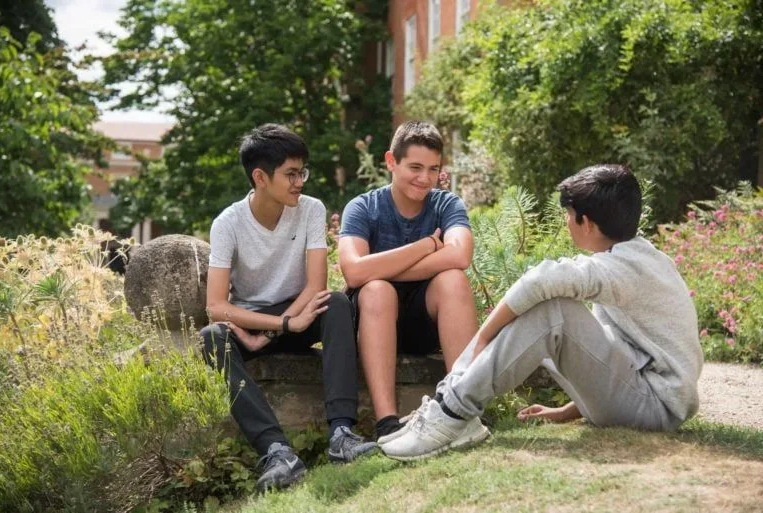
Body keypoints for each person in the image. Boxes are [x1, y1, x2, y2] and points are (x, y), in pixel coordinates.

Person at [380, 164, 703, 461]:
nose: (566, 222)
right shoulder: (634, 258)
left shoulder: (626, 269)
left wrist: (482, 337)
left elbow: (542, 280)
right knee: (551, 307)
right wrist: (568, 411)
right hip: (648, 399)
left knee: (554, 310)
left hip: (655, 408)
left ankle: (452, 412)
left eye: (569, 214)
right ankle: (448, 403)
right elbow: (628, 354)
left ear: (586, 223)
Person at [200, 124, 377, 492]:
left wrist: (282, 327)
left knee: (338, 303)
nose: (300, 182)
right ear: (260, 177)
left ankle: (342, 435)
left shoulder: (311, 209)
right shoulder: (227, 224)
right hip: (255, 321)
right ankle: (277, 451)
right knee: (211, 339)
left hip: (299, 313)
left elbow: (315, 286)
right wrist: (277, 325)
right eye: (291, 174)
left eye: (302, 172)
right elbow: (216, 306)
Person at [338, 121, 479, 441]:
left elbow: (459, 256)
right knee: (376, 289)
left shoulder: (447, 204)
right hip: (372, 322)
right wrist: (426, 245)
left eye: (433, 169)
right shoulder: (362, 208)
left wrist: (381, 266)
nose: (425, 178)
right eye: (415, 167)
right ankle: (388, 422)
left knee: (453, 280)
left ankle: (462, 411)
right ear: (391, 161)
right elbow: (354, 273)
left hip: (424, 322)